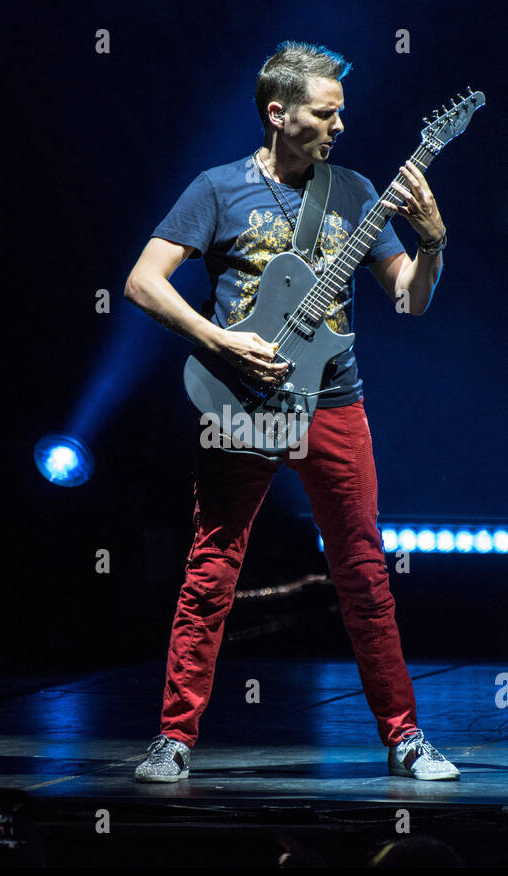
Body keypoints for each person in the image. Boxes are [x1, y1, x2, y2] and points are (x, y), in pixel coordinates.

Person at [123, 41, 458, 782]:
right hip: (242, 399)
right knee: (212, 566)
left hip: (336, 401)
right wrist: (218, 339)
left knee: (364, 570)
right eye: (324, 112)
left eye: (341, 113)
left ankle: (405, 737)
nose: (339, 125)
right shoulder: (217, 190)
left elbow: (410, 298)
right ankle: (174, 737)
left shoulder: (355, 189)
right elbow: (143, 281)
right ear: (279, 114)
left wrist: (432, 244)